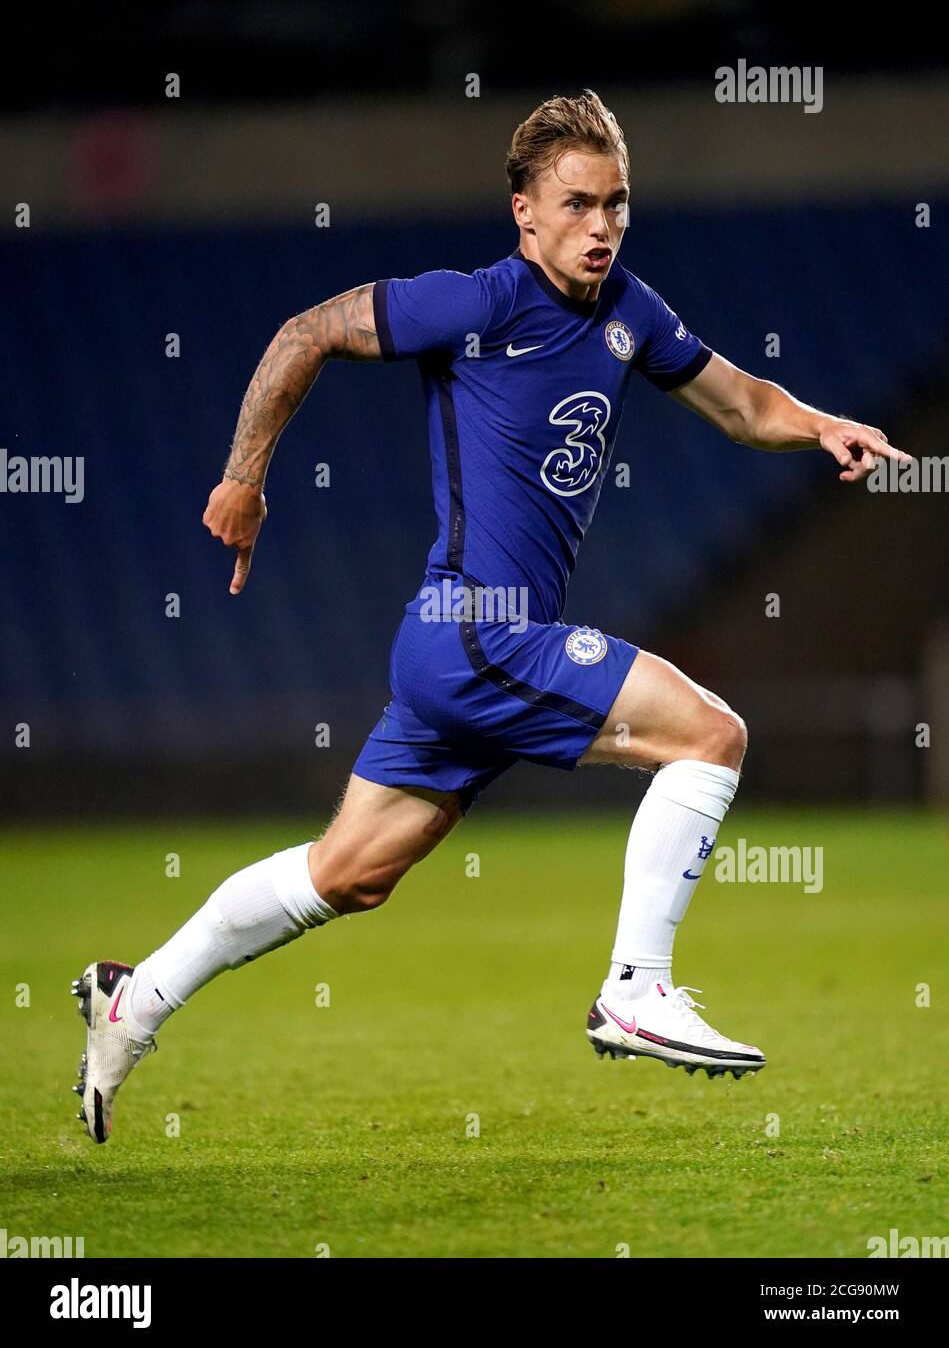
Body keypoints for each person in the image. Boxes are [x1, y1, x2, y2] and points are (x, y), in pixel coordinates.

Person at [72, 90, 909, 1143]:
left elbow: (741, 404)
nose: (600, 226)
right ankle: (635, 989)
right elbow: (305, 332)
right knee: (711, 735)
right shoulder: (474, 303)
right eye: (576, 204)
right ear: (523, 211)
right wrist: (245, 480)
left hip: (461, 651)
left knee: (348, 874)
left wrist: (824, 424)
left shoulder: (631, 312)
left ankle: (131, 998)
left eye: (616, 204)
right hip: (479, 630)